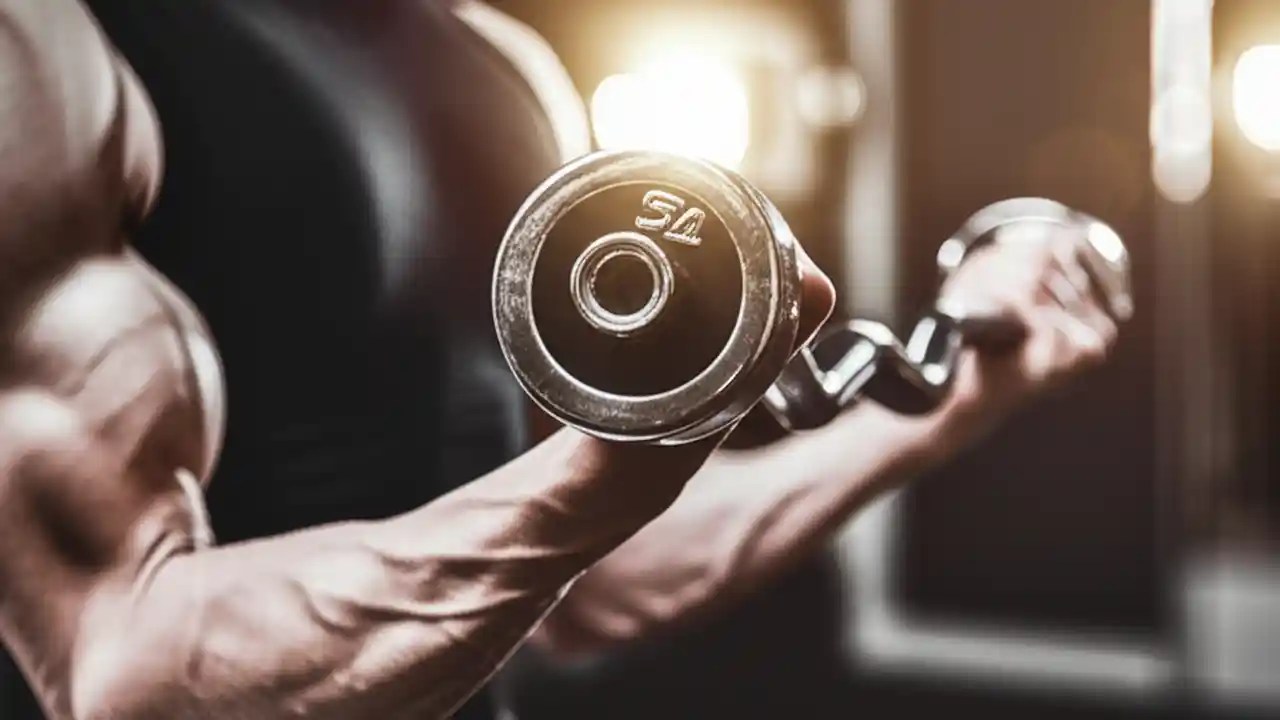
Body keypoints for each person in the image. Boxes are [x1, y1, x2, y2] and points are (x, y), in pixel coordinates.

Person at [0, 1, 1118, 719]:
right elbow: (127, 665)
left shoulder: (493, 62)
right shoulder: (52, 52)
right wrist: (622, 464)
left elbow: (587, 582)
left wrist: (958, 392)